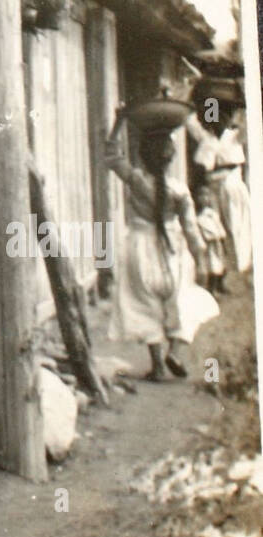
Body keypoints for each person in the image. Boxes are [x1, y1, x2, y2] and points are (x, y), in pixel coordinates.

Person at [105, 115, 217, 381]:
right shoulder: (180, 191)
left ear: (143, 156)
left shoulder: (135, 179)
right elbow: (191, 229)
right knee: (182, 300)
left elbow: (111, 154)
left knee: (142, 304)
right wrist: (201, 259)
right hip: (172, 250)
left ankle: (156, 365)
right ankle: (175, 352)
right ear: (171, 159)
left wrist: (120, 120)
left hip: (139, 247)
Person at [185, 107, 251, 287]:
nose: (217, 125)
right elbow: (193, 127)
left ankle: (228, 273)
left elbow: (248, 128)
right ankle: (216, 277)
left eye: (221, 121)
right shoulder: (209, 140)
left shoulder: (234, 136)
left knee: (235, 230)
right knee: (215, 232)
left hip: (233, 188)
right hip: (215, 191)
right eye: (213, 123)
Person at [195, 185, 230, 295]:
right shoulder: (197, 217)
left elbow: (219, 227)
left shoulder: (212, 214)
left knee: (222, 265)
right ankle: (212, 288)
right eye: (201, 196)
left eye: (206, 196)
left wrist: (223, 243)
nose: (204, 199)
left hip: (217, 242)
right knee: (212, 266)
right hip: (208, 244)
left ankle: (220, 285)